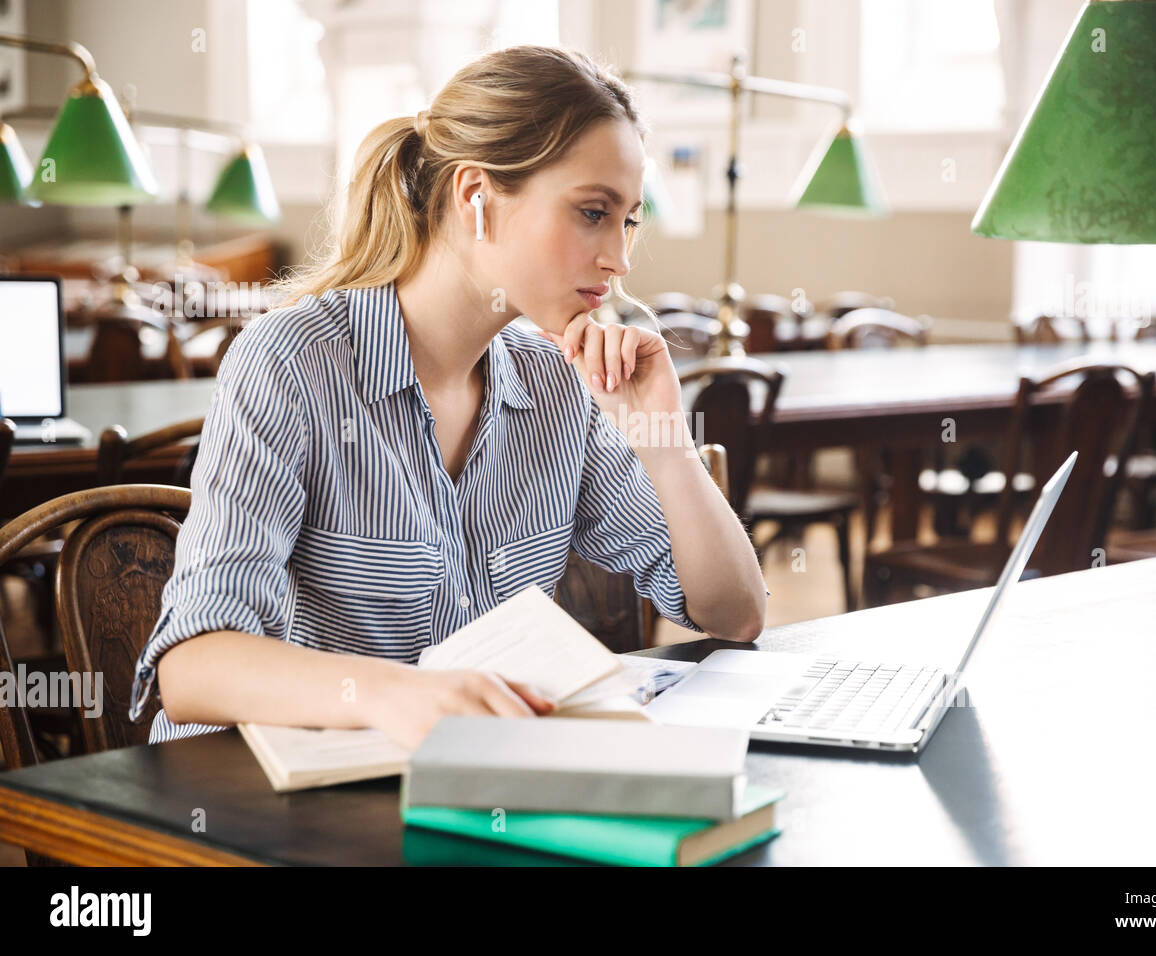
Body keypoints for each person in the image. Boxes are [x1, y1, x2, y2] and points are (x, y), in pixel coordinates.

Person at [129, 45, 768, 750]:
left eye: (629, 221)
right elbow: (192, 666)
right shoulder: (292, 363)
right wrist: (392, 694)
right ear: (476, 199)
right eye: (593, 212)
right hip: (254, 805)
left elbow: (734, 614)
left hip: (451, 791)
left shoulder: (560, 383)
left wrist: (666, 447)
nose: (620, 258)